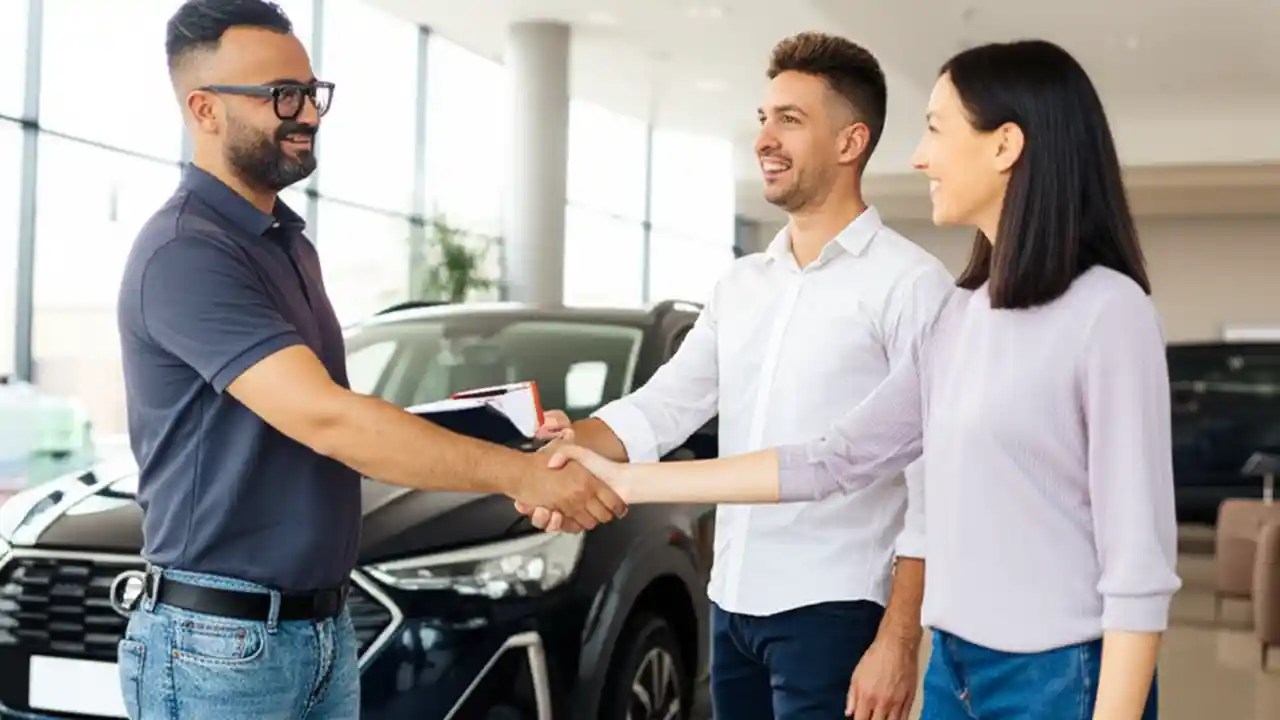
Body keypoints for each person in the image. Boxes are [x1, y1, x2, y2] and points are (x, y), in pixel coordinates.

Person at [541, 39, 1182, 720]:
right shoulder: (961, 316)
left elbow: (1138, 570)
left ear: (1005, 145)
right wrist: (623, 479)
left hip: (1056, 673)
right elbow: (832, 458)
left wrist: (899, 637)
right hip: (958, 670)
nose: (917, 155)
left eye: (936, 128)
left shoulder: (1107, 313)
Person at [114, 1, 623, 717]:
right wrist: (521, 475)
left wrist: (493, 432)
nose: (308, 115)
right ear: (204, 109)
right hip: (219, 648)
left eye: (311, 92)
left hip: (318, 630)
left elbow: (312, 424)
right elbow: (330, 422)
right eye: (280, 96)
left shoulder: (286, 242)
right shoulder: (186, 254)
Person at [525, 32, 955, 720]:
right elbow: (666, 405)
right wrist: (572, 442)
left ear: (850, 142)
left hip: (836, 609)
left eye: (790, 119)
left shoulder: (910, 286)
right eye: (763, 118)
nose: (765, 138)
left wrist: (900, 637)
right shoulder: (741, 284)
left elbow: (934, 486)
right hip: (731, 602)